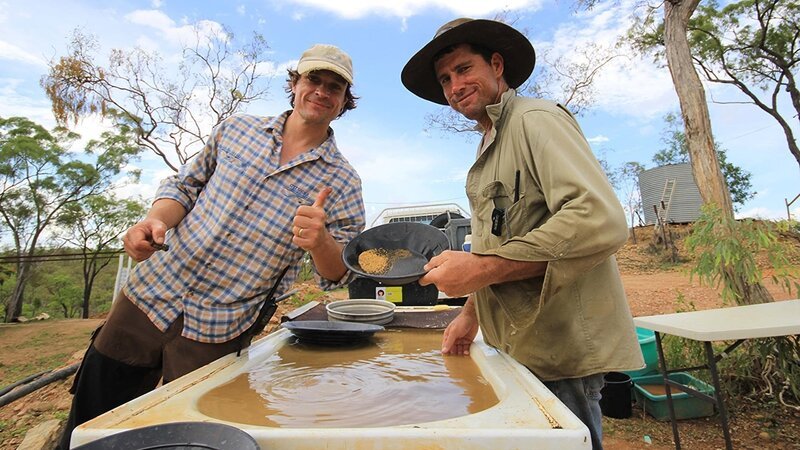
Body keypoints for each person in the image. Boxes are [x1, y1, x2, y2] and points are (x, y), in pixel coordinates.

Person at [58, 43, 366, 449]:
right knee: (94, 414)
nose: (322, 91)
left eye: (335, 87)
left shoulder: (343, 180)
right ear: (294, 84)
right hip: (150, 295)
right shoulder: (236, 129)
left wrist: (321, 240)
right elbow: (185, 186)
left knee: (189, 432)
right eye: (314, 79)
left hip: (220, 324)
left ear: (344, 102)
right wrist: (154, 220)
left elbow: (339, 273)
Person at [402, 18, 643, 449]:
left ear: (496, 65)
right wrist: (469, 315)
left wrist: (482, 266)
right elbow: (492, 250)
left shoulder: (537, 120)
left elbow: (599, 218)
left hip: (561, 349)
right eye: (445, 79)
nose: (454, 86)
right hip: (518, 344)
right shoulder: (489, 144)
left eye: (463, 69)